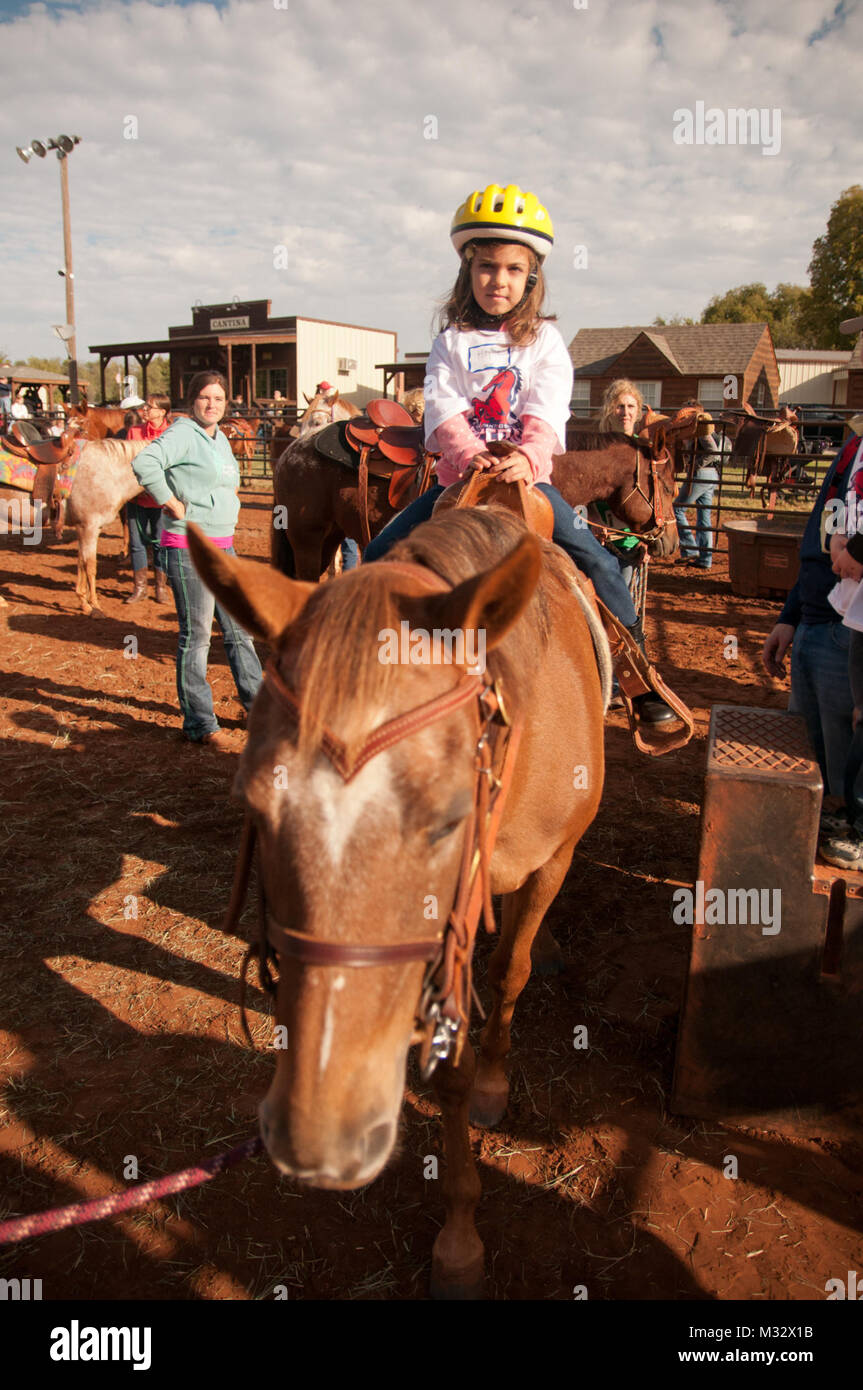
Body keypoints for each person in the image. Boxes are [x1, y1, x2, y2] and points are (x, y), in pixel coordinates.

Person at [364, 185, 676, 724]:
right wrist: (466, 452)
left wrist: (528, 460)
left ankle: (640, 677)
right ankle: (359, 667)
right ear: (468, 269)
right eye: (487, 267)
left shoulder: (546, 344)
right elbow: (441, 406)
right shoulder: (450, 341)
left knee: (599, 561)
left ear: (531, 276)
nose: (498, 280)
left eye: (512, 269)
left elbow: (547, 412)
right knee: (375, 560)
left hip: (527, 481)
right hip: (459, 481)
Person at [130, 371, 263, 748]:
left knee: (240, 632)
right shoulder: (183, 433)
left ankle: (258, 708)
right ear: (192, 401)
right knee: (198, 635)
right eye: (205, 397)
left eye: (218, 399)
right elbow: (146, 463)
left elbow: (226, 482)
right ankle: (200, 722)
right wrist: (170, 502)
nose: (212, 404)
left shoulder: (219, 438)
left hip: (223, 546)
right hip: (188, 545)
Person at [762, 425, 863, 850]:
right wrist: (792, 615)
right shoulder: (852, 450)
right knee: (808, 757)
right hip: (816, 622)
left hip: (852, 628)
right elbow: (819, 535)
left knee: (849, 758)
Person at [125, 394, 171, 603]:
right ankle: (140, 588)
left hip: (163, 500)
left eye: (149, 407)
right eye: (145, 406)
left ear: (162, 412)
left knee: (161, 543)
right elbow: (128, 464)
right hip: (137, 498)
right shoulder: (134, 432)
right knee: (136, 543)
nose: (145, 410)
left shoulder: (171, 435)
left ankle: (160, 587)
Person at [672, 403, 720, 570]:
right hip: (711, 475)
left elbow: (712, 450)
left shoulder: (700, 429)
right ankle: (705, 559)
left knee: (676, 509)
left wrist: (696, 464)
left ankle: (690, 549)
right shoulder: (703, 428)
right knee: (704, 518)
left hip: (701, 475)